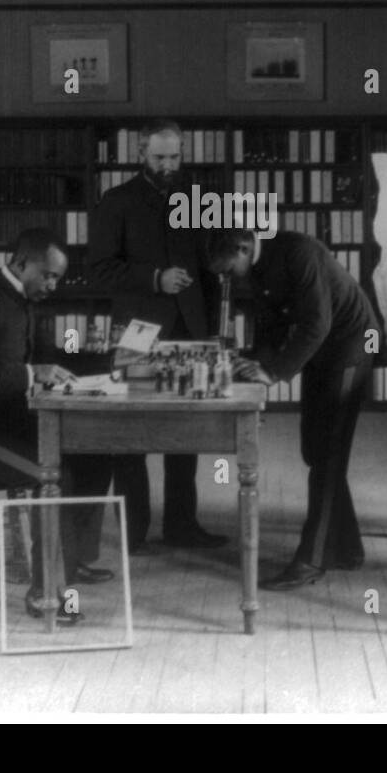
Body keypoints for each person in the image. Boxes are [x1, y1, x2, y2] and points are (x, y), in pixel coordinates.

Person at [0, 228, 113, 625]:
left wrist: (108, 361)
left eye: (57, 278)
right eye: (48, 275)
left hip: (9, 427)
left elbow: (46, 359)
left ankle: (68, 562)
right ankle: (44, 593)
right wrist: (33, 373)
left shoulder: (21, 300)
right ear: (21, 263)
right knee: (50, 476)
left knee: (95, 456)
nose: (53, 285)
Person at [207, 227, 377, 589]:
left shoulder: (299, 251)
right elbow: (272, 328)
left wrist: (273, 372)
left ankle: (312, 560)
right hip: (321, 350)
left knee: (329, 455)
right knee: (315, 449)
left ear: (243, 248)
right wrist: (255, 363)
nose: (227, 279)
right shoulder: (255, 269)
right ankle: (348, 549)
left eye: (228, 270)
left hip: (352, 345)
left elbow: (317, 322)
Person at [88, 118, 225, 552]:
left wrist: (214, 332)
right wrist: (154, 279)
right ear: (141, 154)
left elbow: (211, 271)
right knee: (131, 436)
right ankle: (133, 532)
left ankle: (182, 525)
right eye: (159, 157)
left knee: (185, 434)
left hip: (192, 328)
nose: (168, 165)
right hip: (137, 334)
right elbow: (99, 269)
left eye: (175, 157)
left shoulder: (197, 199)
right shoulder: (117, 201)